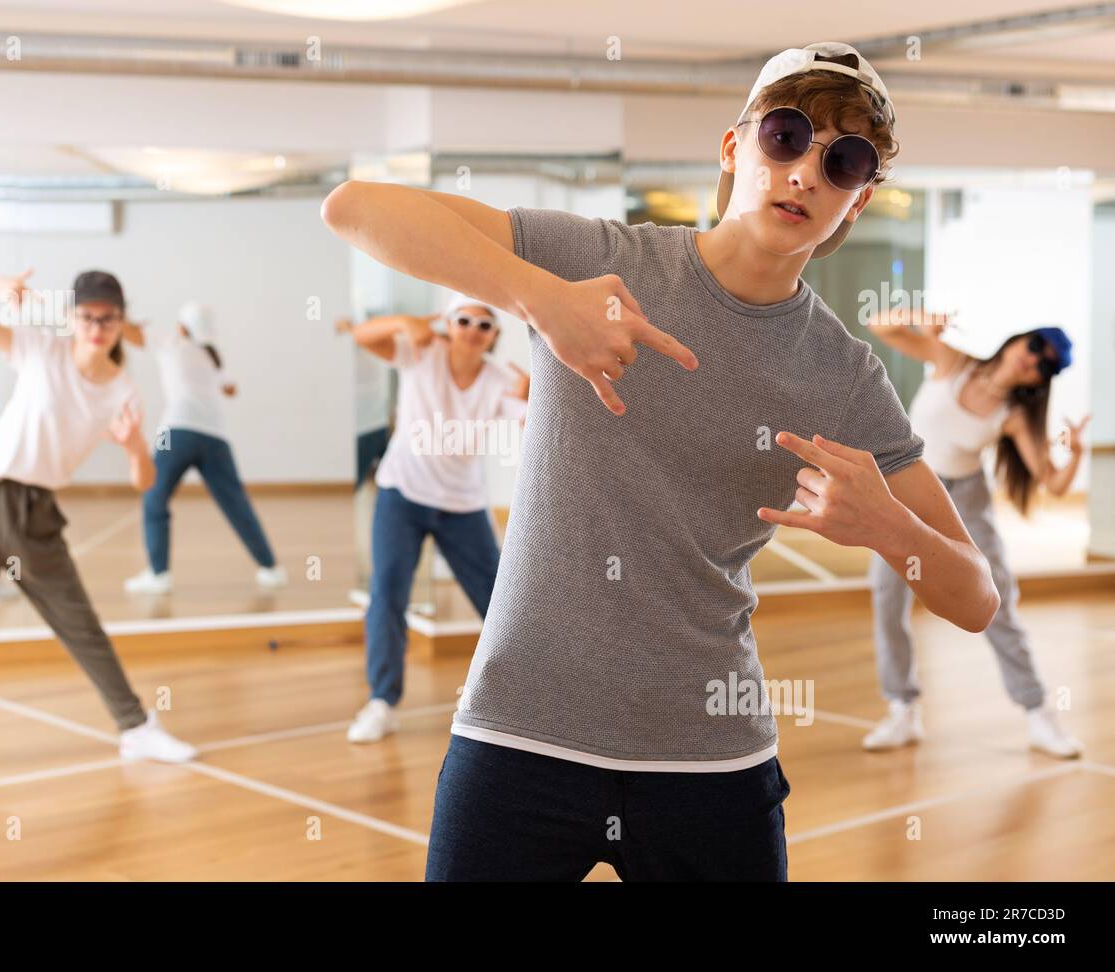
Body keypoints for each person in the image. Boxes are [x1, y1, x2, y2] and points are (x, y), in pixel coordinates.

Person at [322, 41, 1001, 881]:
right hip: (517, 734)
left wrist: (891, 529)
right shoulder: (599, 262)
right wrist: (540, 299)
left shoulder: (843, 375)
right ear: (733, 147)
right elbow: (354, 207)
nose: (805, 173)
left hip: (710, 763)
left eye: (844, 161)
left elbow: (975, 597)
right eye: (786, 136)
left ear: (858, 201)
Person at [0, 269, 196, 785]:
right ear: (72, 317)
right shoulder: (40, 349)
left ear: (120, 322)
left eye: (108, 318)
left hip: (35, 509)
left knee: (81, 625)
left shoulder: (123, 391)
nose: (97, 327)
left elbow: (145, 480)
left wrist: (135, 444)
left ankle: (135, 727)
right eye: (87, 316)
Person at [865, 314, 1086, 757]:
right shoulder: (952, 360)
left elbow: (1053, 483)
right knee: (887, 595)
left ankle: (1039, 713)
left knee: (998, 601)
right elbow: (879, 327)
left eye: (1047, 365)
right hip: (906, 487)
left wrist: (1076, 454)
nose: (1035, 361)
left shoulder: (1015, 416)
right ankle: (902, 709)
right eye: (1036, 347)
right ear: (1018, 340)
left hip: (966, 501)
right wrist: (917, 318)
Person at [337, 296, 528, 743]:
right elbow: (362, 337)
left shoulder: (501, 380)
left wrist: (533, 395)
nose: (472, 329)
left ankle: (527, 694)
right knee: (387, 592)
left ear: (493, 336)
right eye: (463, 320)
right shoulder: (420, 353)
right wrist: (407, 321)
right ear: (449, 324)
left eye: (484, 324)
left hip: (462, 505)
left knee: (498, 600)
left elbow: (533, 423)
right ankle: (382, 701)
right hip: (401, 494)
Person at [121, 302, 286, 595]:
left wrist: (128, 318)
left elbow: (125, 332)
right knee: (235, 502)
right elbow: (231, 388)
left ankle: (158, 575)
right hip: (215, 436)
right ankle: (270, 568)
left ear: (181, 326)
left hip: (174, 430)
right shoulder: (212, 357)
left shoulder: (172, 342)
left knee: (153, 495)